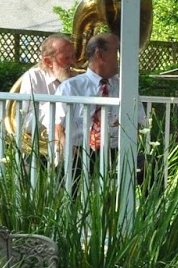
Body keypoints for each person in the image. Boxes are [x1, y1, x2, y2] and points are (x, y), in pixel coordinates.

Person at [55, 33, 144, 172]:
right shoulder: (70, 87)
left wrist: (127, 128)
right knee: (69, 173)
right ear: (100, 54)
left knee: (150, 167)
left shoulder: (126, 88)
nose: (121, 58)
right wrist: (67, 150)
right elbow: (57, 125)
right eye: (117, 52)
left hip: (116, 152)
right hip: (79, 152)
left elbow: (139, 122)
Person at [12, 33, 76, 149]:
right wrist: (55, 111)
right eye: (66, 58)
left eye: (73, 56)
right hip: (38, 150)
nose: (73, 62)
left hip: (75, 147)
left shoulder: (77, 79)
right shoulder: (34, 77)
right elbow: (25, 122)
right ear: (48, 62)